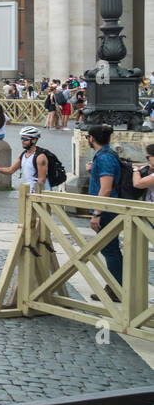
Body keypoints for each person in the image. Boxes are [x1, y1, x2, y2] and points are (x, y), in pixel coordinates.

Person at [85, 124, 123, 303]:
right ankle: (114, 285)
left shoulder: (105, 158)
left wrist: (97, 213)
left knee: (110, 249)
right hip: (106, 208)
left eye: (88, 137)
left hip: (106, 210)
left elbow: (106, 189)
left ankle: (116, 288)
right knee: (110, 248)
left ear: (92, 138)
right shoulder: (103, 156)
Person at [0, 126, 50, 193]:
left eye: (25, 139)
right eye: (22, 138)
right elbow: (10, 170)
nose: (22, 141)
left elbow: (42, 180)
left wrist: (34, 194)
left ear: (34, 140)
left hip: (41, 193)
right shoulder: (23, 155)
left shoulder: (40, 157)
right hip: (29, 192)